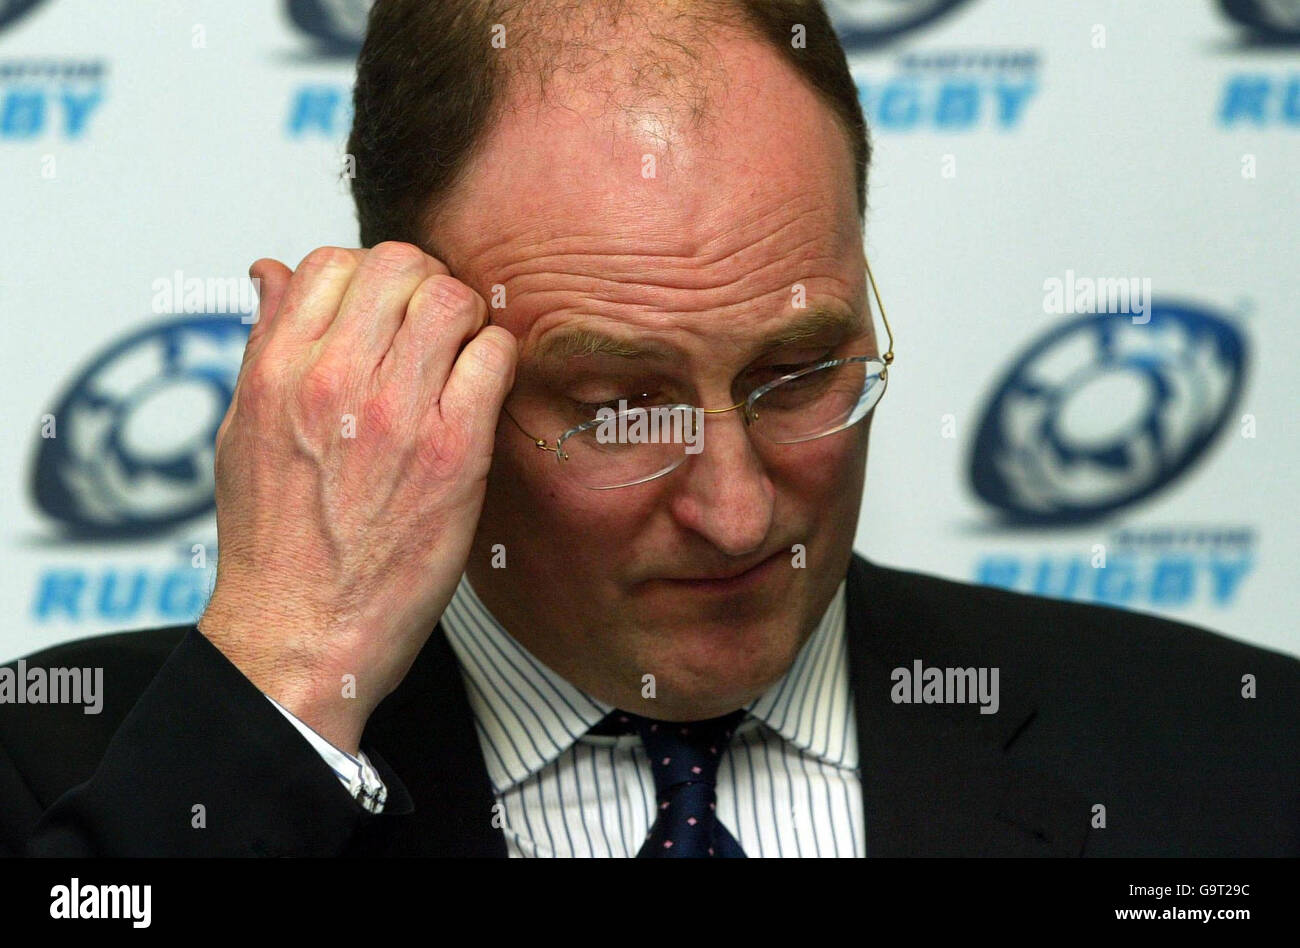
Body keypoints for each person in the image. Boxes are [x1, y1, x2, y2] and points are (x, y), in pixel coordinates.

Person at [2, 0, 1296, 858]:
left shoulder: (1230, 760)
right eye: (622, 406)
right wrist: (282, 688)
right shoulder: (62, 775)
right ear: (412, 364)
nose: (739, 513)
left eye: (798, 370)